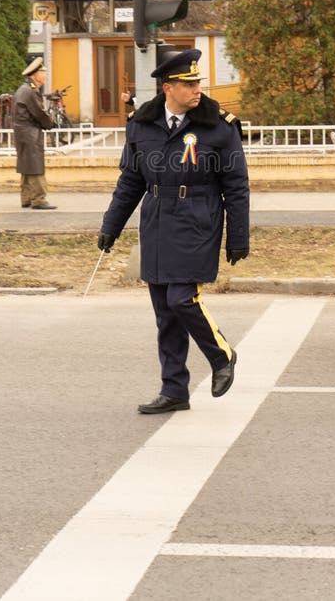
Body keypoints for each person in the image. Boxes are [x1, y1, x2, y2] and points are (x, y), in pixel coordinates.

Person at [98, 48, 250, 414]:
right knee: (165, 313)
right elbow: (130, 181)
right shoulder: (142, 124)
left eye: (198, 82)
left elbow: (237, 185)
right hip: (156, 220)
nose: (197, 89)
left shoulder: (219, 126)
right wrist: (111, 226)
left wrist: (238, 235)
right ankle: (174, 389)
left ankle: (222, 354)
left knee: (182, 299)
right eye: (188, 83)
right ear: (168, 88)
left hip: (198, 218)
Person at [11, 57, 57, 210]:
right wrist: (50, 123)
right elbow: (39, 113)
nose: (45, 75)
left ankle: (26, 198)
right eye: (43, 72)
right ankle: (39, 199)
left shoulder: (23, 89)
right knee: (35, 165)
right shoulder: (31, 91)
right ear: (35, 74)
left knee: (26, 164)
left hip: (21, 131)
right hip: (30, 132)